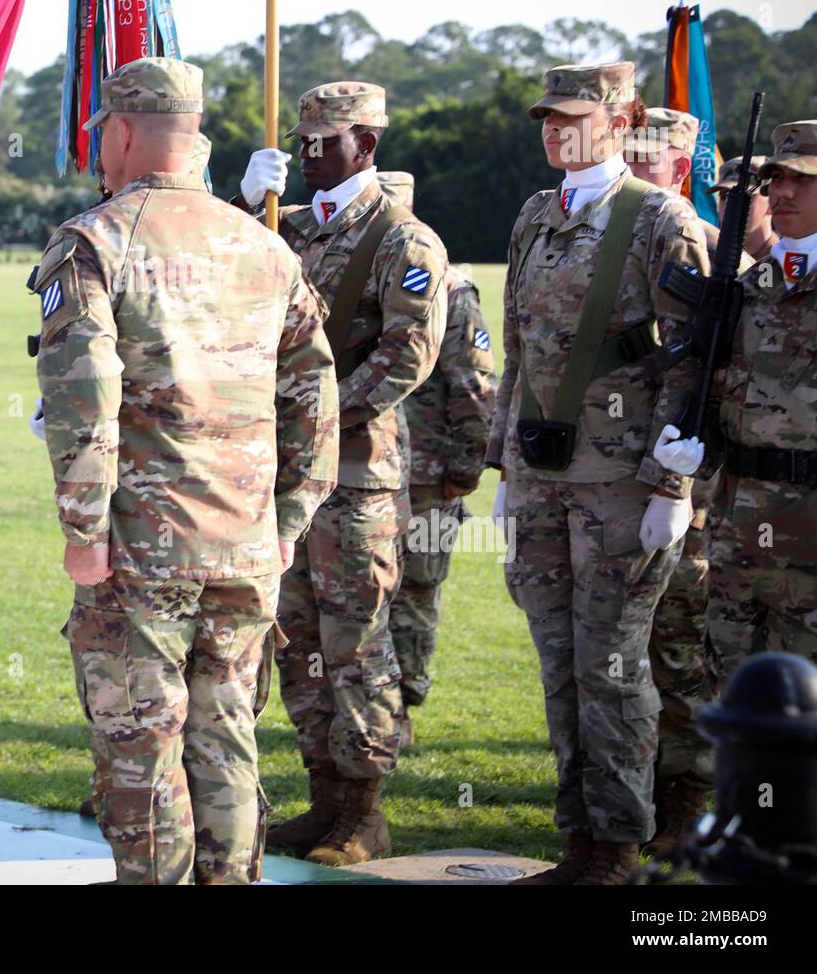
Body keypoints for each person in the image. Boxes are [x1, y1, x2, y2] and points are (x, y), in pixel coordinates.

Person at [35, 57, 339, 885]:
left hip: (141, 547)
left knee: (141, 744)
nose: (102, 151)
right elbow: (316, 390)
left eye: (104, 134)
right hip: (244, 543)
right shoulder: (266, 247)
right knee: (226, 733)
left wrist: (83, 530)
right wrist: (291, 519)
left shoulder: (95, 239)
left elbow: (82, 398)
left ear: (125, 132)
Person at [487, 62, 710, 885]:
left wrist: (670, 482)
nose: (554, 129)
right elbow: (517, 348)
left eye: (573, 117)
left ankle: (618, 845)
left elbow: (692, 362)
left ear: (622, 120)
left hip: (622, 483)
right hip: (543, 471)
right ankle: (578, 835)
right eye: (548, 116)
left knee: (612, 660)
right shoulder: (536, 215)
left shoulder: (659, 219)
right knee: (559, 659)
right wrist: (505, 461)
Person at [239, 87, 448, 865]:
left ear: (367, 141)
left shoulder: (403, 239)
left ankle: (365, 812)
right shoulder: (281, 230)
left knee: (357, 641)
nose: (308, 155)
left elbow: (408, 355)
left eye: (325, 142)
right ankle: (323, 796)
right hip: (286, 475)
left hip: (355, 474)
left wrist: (320, 413)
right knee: (297, 640)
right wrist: (240, 203)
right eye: (301, 143)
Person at [655, 120, 817, 681]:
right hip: (737, 522)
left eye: (804, 180)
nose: (785, 193)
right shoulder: (747, 289)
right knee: (733, 682)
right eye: (777, 179)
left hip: (810, 527)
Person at [626, 108, 727, 850]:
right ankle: (645, 790)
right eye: (626, 152)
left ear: (681, 167)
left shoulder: (695, 244)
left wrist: (680, 485)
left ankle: (686, 798)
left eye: (650, 158)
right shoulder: (614, 236)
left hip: (688, 479)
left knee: (680, 641)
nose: (635, 168)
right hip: (621, 465)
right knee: (632, 642)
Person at [369, 174, 496, 745]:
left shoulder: (446, 287)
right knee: (363, 596)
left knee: (415, 593)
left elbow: (474, 390)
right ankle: (372, 710)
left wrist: (463, 473)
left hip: (426, 477)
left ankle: (403, 707)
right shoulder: (358, 278)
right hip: (367, 472)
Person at [707, 154, 775, 261]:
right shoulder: (709, 259)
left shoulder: (782, 261)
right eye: (725, 195)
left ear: (772, 202)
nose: (730, 204)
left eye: (743, 196)